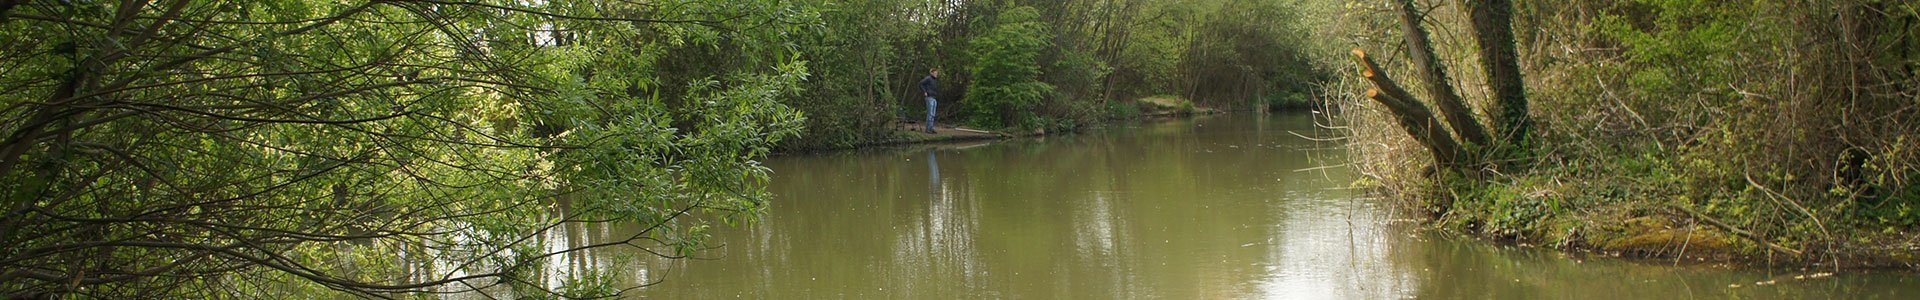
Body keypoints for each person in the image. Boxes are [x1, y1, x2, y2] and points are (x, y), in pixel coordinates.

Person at [918, 67, 941, 134]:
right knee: (930, 114)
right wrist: (925, 91)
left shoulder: (935, 80)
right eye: (935, 73)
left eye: (937, 73)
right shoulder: (928, 78)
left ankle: (931, 128)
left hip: (934, 97)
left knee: (933, 114)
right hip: (929, 97)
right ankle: (927, 129)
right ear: (932, 73)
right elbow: (920, 84)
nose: (936, 74)